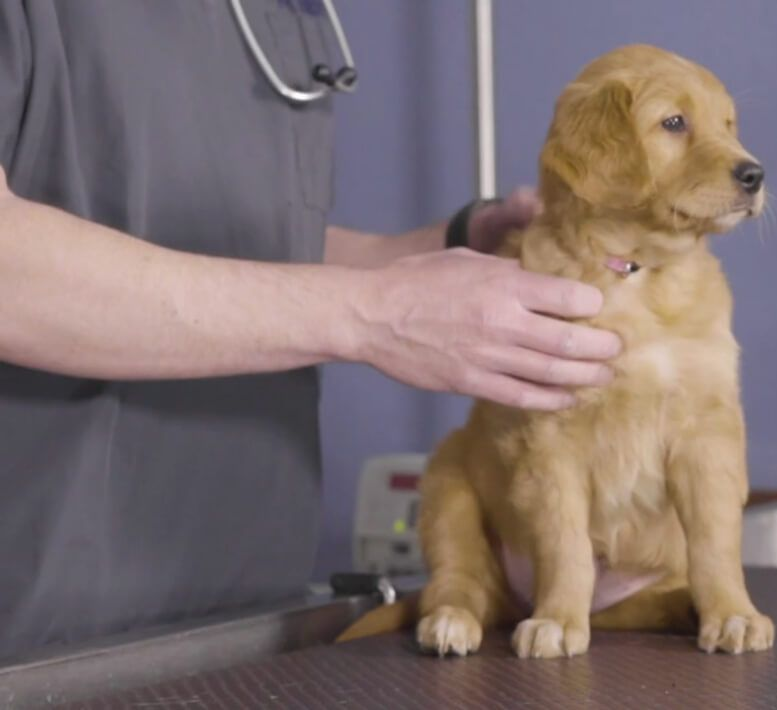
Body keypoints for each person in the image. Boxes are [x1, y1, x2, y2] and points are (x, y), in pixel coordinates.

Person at [0, 2, 620, 659]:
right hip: (37, 623)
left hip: (246, 609)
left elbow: (226, 245)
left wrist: (432, 251)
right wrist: (374, 311)